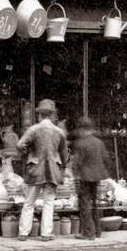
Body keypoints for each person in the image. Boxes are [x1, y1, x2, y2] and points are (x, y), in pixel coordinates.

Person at [15, 99, 68, 241]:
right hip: (53, 170)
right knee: (49, 202)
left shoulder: (33, 130)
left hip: (35, 168)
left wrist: (27, 155)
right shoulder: (59, 132)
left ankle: (23, 233)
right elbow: (64, 154)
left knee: (29, 202)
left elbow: (20, 145)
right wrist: (63, 166)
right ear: (51, 115)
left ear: (39, 115)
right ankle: (45, 234)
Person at [69, 116, 111, 240]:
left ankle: (88, 232)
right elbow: (107, 159)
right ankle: (97, 230)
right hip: (97, 177)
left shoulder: (80, 143)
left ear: (82, 129)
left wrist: (74, 175)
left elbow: (77, 162)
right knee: (94, 204)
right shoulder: (99, 142)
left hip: (85, 177)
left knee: (85, 204)